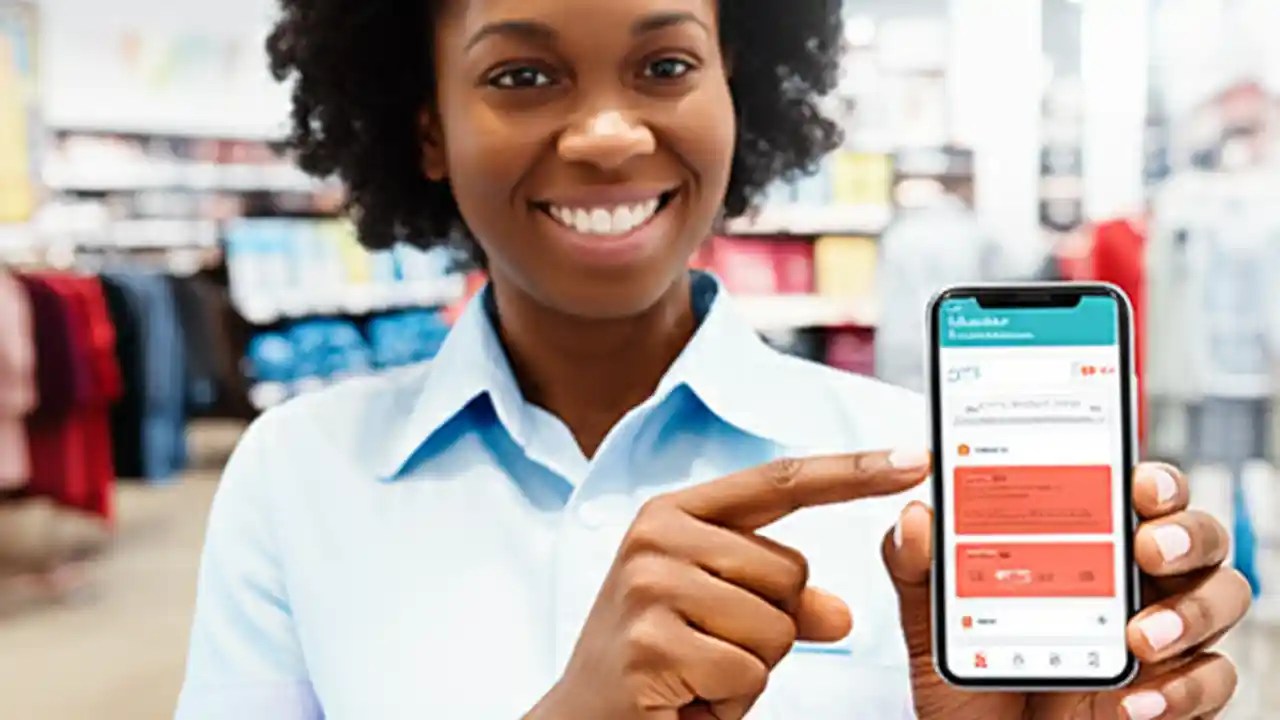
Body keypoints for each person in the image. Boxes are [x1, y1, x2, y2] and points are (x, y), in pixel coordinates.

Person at [176, 1, 1252, 718]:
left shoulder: (923, 478)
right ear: (425, 130)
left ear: (739, 90)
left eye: (664, 64)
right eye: (519, 73)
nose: (604, 132)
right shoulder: (297, 475)